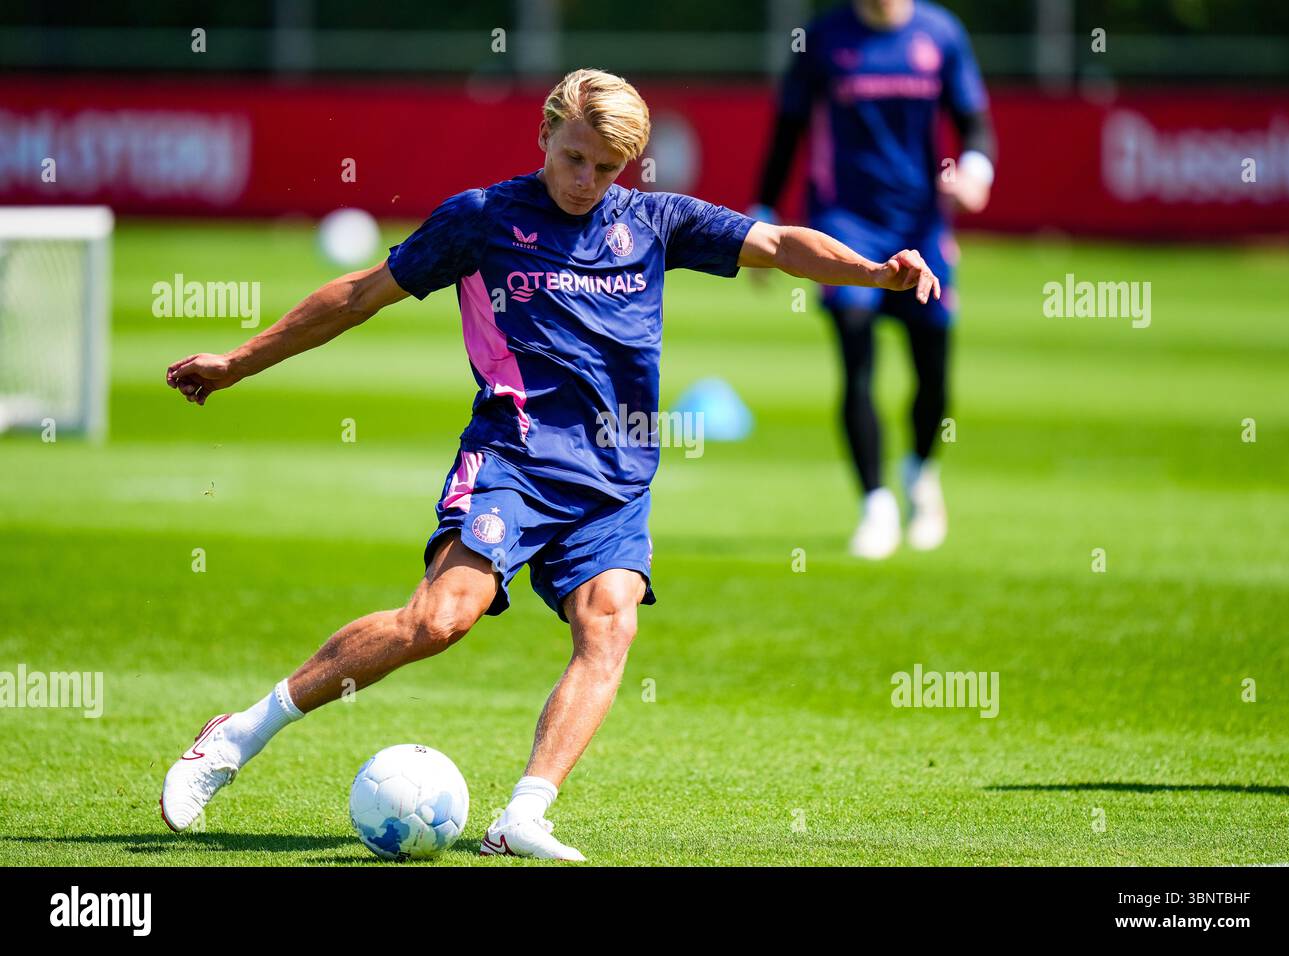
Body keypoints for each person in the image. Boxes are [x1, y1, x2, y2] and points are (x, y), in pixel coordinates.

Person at [160, 68, 938, 861]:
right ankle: (236, 736)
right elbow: (361, 293)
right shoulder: (483, 219)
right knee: (439, 620)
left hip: (615, 481)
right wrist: (237, 362)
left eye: (607, 168)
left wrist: (875, 272)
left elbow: (776, 244)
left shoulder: (656, 222)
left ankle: (522, 816)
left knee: (609, 625)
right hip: (515, 458)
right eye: (575, 158)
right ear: (546, 135)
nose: (587, 181)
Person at [752, 0, 994, 559]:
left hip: (923, 226)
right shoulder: (823, 37)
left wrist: (975, 173)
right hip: (845, 225)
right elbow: (788, 127)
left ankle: (919, 472)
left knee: (933, 373)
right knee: (857, 360)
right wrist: (762, 212)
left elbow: (974, 121)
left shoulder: (940, 33)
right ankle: (876, 504)